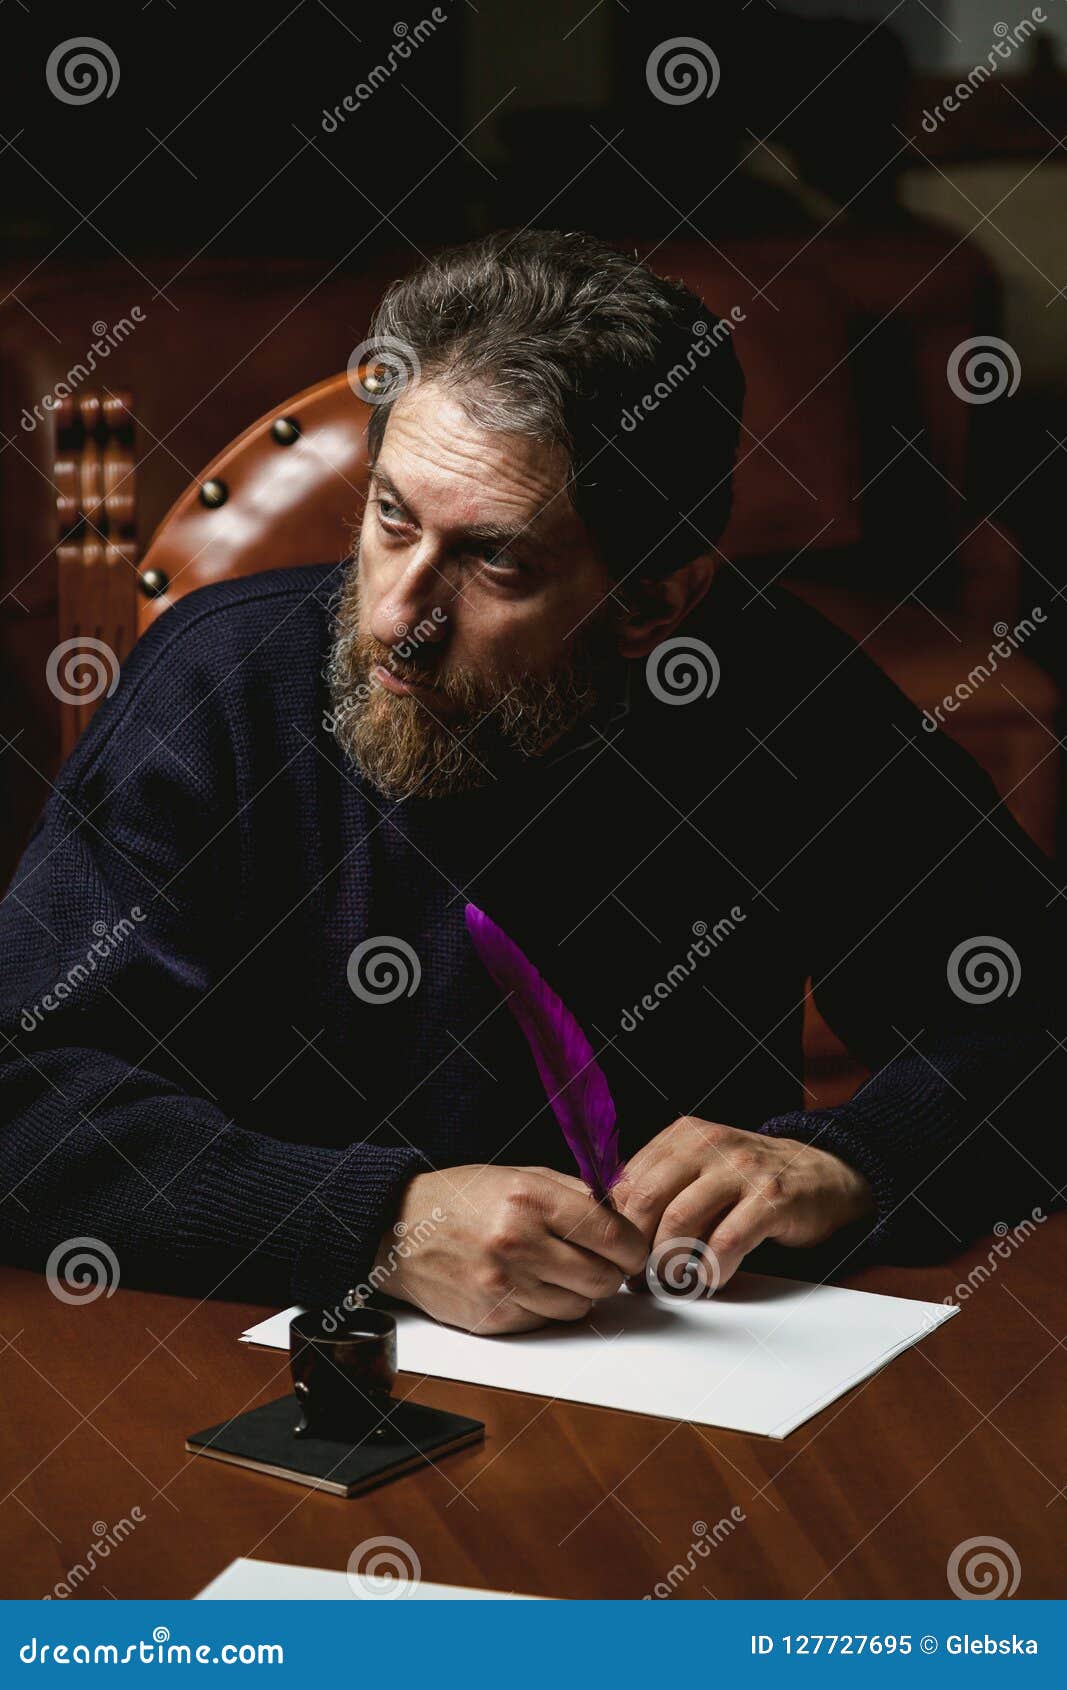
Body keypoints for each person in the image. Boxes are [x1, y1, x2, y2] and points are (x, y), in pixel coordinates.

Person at [0, 230, 1061, 1333]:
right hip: (274, 1377)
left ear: (654, 604)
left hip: (687, 1376)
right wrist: (375, 1223)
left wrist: (853, 1158)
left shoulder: (772, 693)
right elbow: (19, 1095)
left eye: (495, 561)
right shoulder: (219, 690)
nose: (395, 619)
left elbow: (1034, 1021)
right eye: (391, 517)